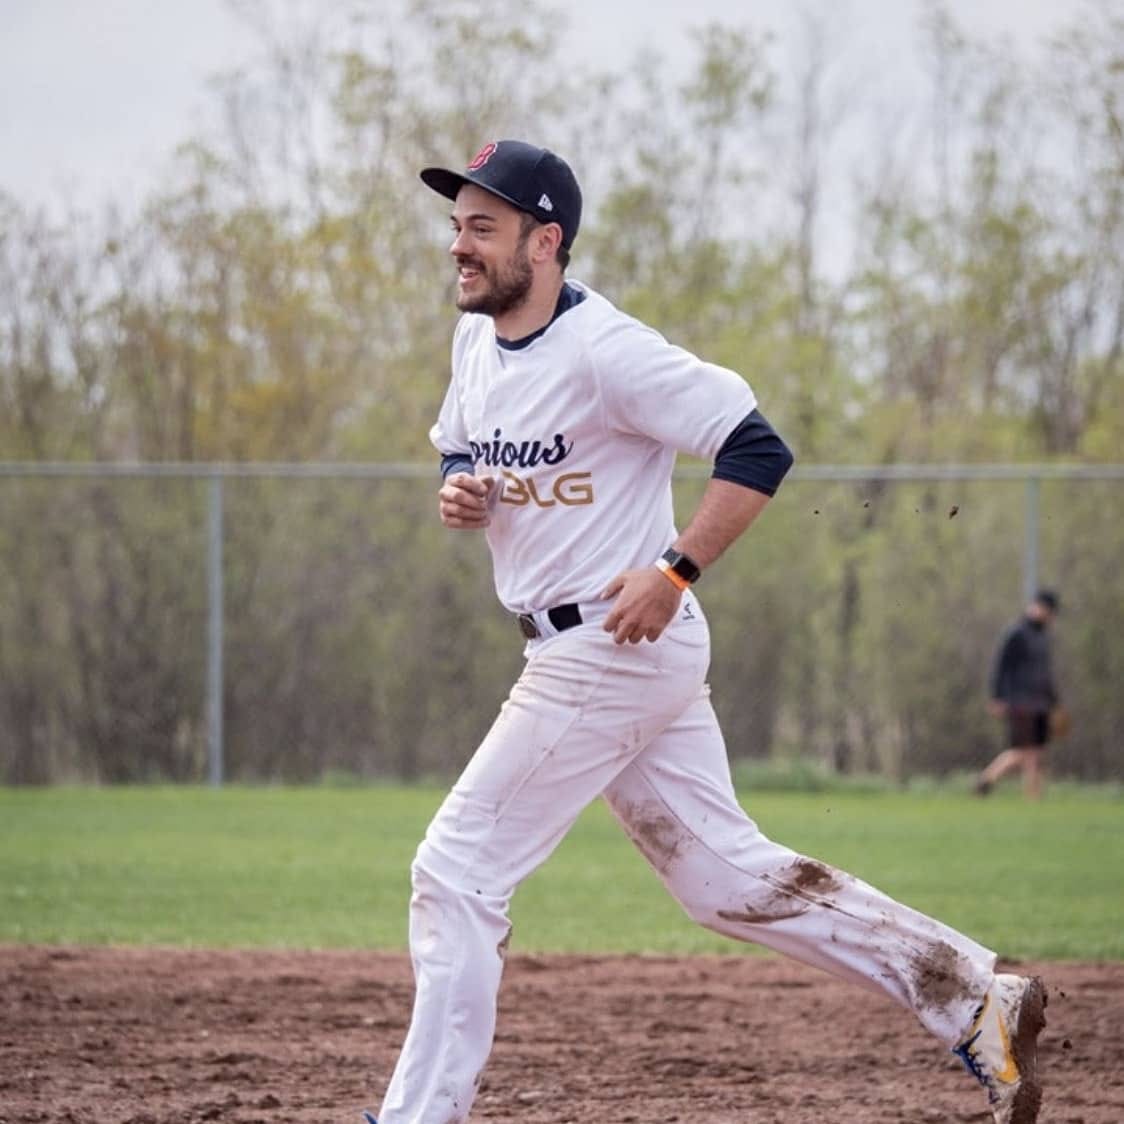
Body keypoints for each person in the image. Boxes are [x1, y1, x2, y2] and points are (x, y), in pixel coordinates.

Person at [364, 140, 1047, 1124]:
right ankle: (973, 995)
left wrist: (675, 566)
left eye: (483, 226)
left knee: (455, 868)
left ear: (544, 239)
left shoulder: (604, 348)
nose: (459, 247)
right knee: (722, 878)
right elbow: (459, 443)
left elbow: (757, 445)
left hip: (605, 642)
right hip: (598, 650)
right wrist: (458, 488)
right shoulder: (475, 339)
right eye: (457, 225)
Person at [976, 590, 1062, 801]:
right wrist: (997, 697)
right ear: (1038, 607)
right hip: (1019, 700)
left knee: (1037, 751)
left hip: (1040, 702)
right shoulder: (1016, 633)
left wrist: (1054, 701)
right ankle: (987, 780)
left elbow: (1044, 672)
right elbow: (1000, 666)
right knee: (1025, 750)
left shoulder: (1042, 636)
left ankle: (1031, 796)